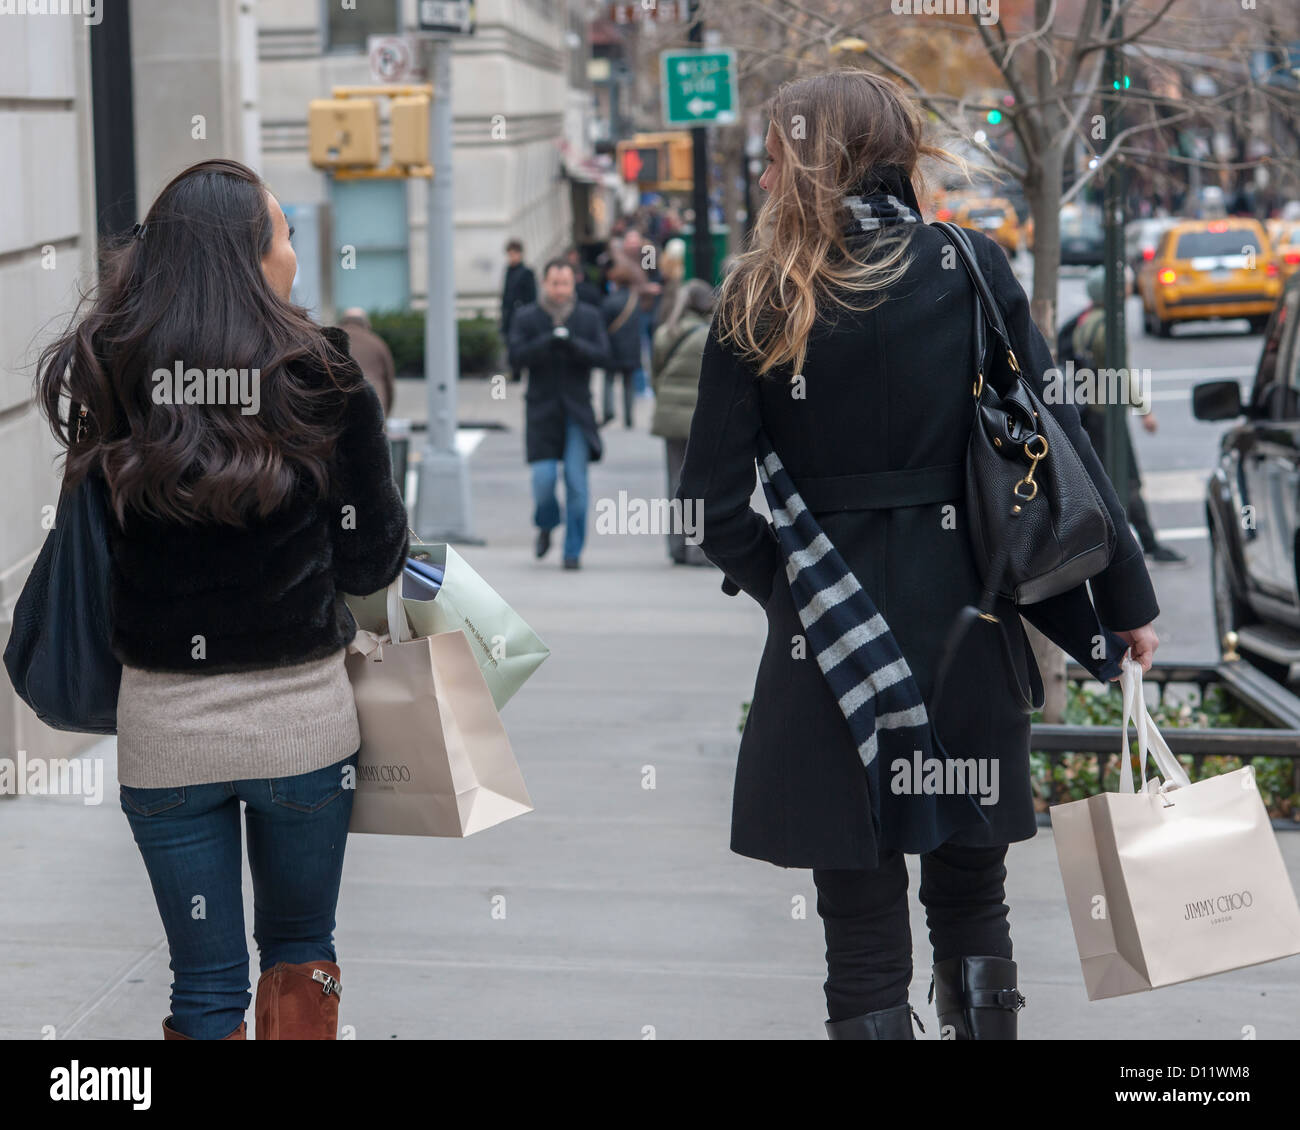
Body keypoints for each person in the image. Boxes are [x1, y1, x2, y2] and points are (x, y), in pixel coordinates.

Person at [674, 72, 1160, 1040]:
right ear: (894, 151)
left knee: (856, 919)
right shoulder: (967, 266)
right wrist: (1126, 598)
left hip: (829, 653)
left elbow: (710, 506)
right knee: (973, 896)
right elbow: (1053, 440)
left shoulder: (758, 296)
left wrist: (794, 593)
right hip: (965, 629)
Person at [36, 158, 410, 1040]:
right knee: (299, 953)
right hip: (302, 738)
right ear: (250, 257)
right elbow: (369, 565)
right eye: (282, 233)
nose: (293, 252)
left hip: (166, 742)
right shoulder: (325, 375)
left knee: (203, 989)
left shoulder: (117, 377)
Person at [1071, 266, 1187, 565]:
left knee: (1106, 479)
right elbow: (1120, 375)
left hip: (1093, 411)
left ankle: (1132, 542)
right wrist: (1144, 411)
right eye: (1123, 286)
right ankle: (1145, 543)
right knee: (1128, 479)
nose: (1128, 291)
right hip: (1106, 412)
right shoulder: (1110, 326)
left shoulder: (1086, 321)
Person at [508, 258, 610, 570]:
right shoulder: (527, 317)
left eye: (565, 283)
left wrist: (572, 344)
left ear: (573, 284)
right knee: (543, 481)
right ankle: (547, 523)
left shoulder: (588, 316)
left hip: (577, 414)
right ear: (545, 284)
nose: (560, 290)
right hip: (541, 412)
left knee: (577, 485)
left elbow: (604, 356)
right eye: (554, 283)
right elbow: (515, 357)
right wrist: (548, 341)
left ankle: (572, 552)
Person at [651, 278, 714, 565]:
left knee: (674, 480)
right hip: (701, 420)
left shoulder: (667, 332)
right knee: (700, 483)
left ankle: (676, 546)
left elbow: (655, 375)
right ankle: (698, 549)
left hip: (669, 417)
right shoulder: (714, 334)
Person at [336, 307, 395, 416]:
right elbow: (389, 382)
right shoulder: (378, 343)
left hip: (339, 404)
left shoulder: (331, 341)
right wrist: (387, 412)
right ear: (366, 323)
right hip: (374, 403)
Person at [600, 276, 641, 428]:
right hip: (631, 349)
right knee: (629, 384)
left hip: (612, 348)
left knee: (609, 380)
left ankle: (608, 411)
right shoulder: (635, 302)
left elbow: (602, 327)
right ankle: (629, 418)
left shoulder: (609, 301)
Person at [501, 238, 537, 383]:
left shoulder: (526, 272)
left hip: (521, 313)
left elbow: (532, 296)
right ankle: (514, 371)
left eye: (514, 254)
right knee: (510, 342)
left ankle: (519, 371)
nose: (511, 257)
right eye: (509, 254)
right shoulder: (509, 271)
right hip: (509, 314)